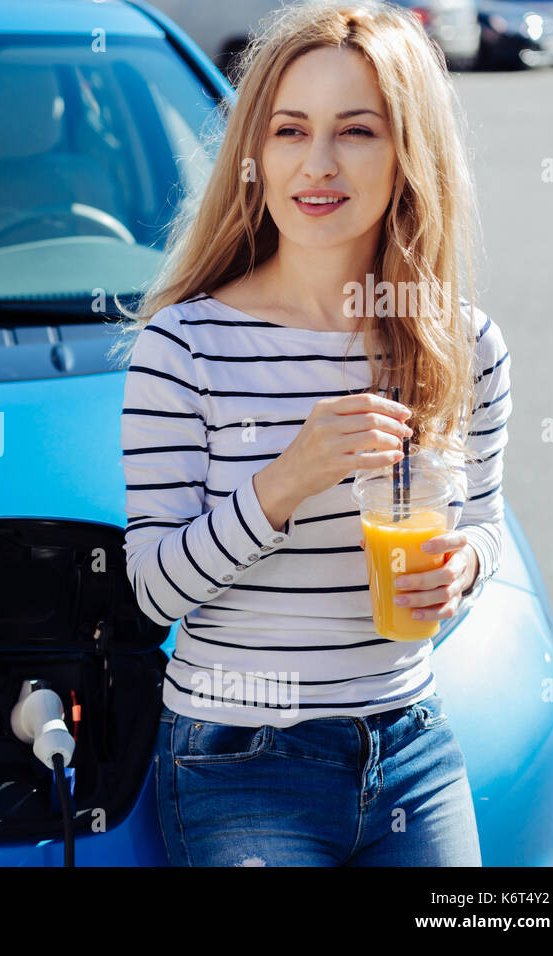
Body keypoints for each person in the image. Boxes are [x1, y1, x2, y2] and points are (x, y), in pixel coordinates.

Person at [110, 0, 510, 865]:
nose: (317, 163)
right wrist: (285, 481)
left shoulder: (463, 342)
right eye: (290, 130)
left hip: (410, 748)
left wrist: (465, 568)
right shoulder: (184, 346)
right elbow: (150, 594)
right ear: (255, 150)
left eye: (356, 131)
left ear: (409, 153)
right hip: (241, 758)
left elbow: (484, 522)